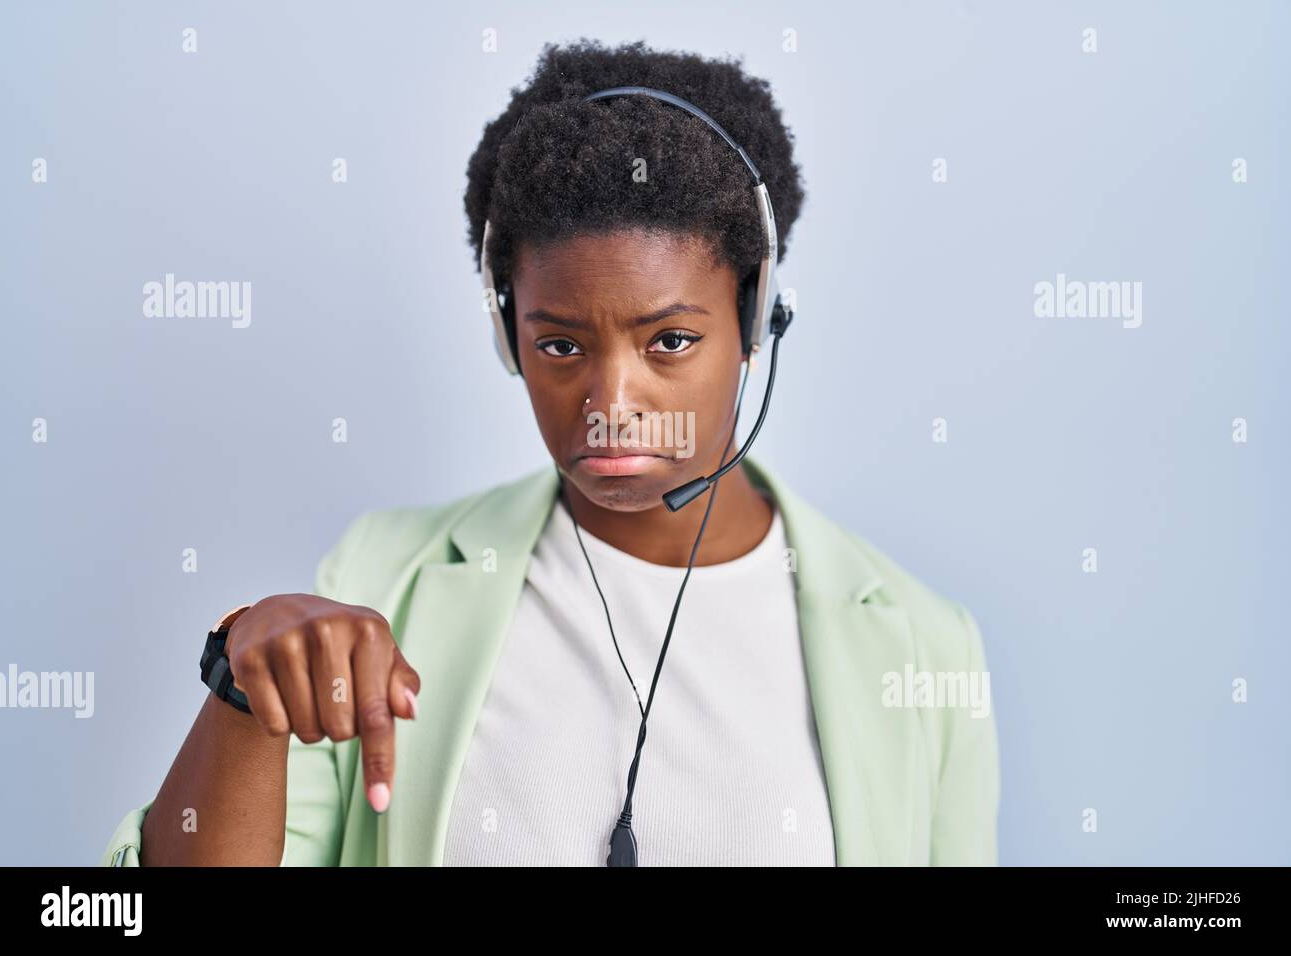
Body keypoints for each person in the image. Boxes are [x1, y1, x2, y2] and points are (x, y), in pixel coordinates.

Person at [100, 38, 999, 867]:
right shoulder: (384, 575)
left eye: (671, 342)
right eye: (561, 346)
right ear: (507, 334)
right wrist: (241, 682)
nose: (611, 406)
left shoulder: (924, 645)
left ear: (755, 318)